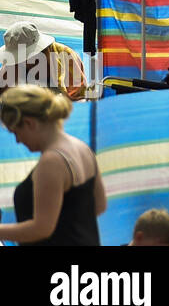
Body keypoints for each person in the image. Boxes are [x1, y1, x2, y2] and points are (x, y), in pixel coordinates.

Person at [0, 86, 104, 244]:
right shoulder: (83, 148)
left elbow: (42, 228)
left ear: (29, 123)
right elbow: (99, 206)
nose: (18, 141)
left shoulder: (52, 162)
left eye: (16, 132)